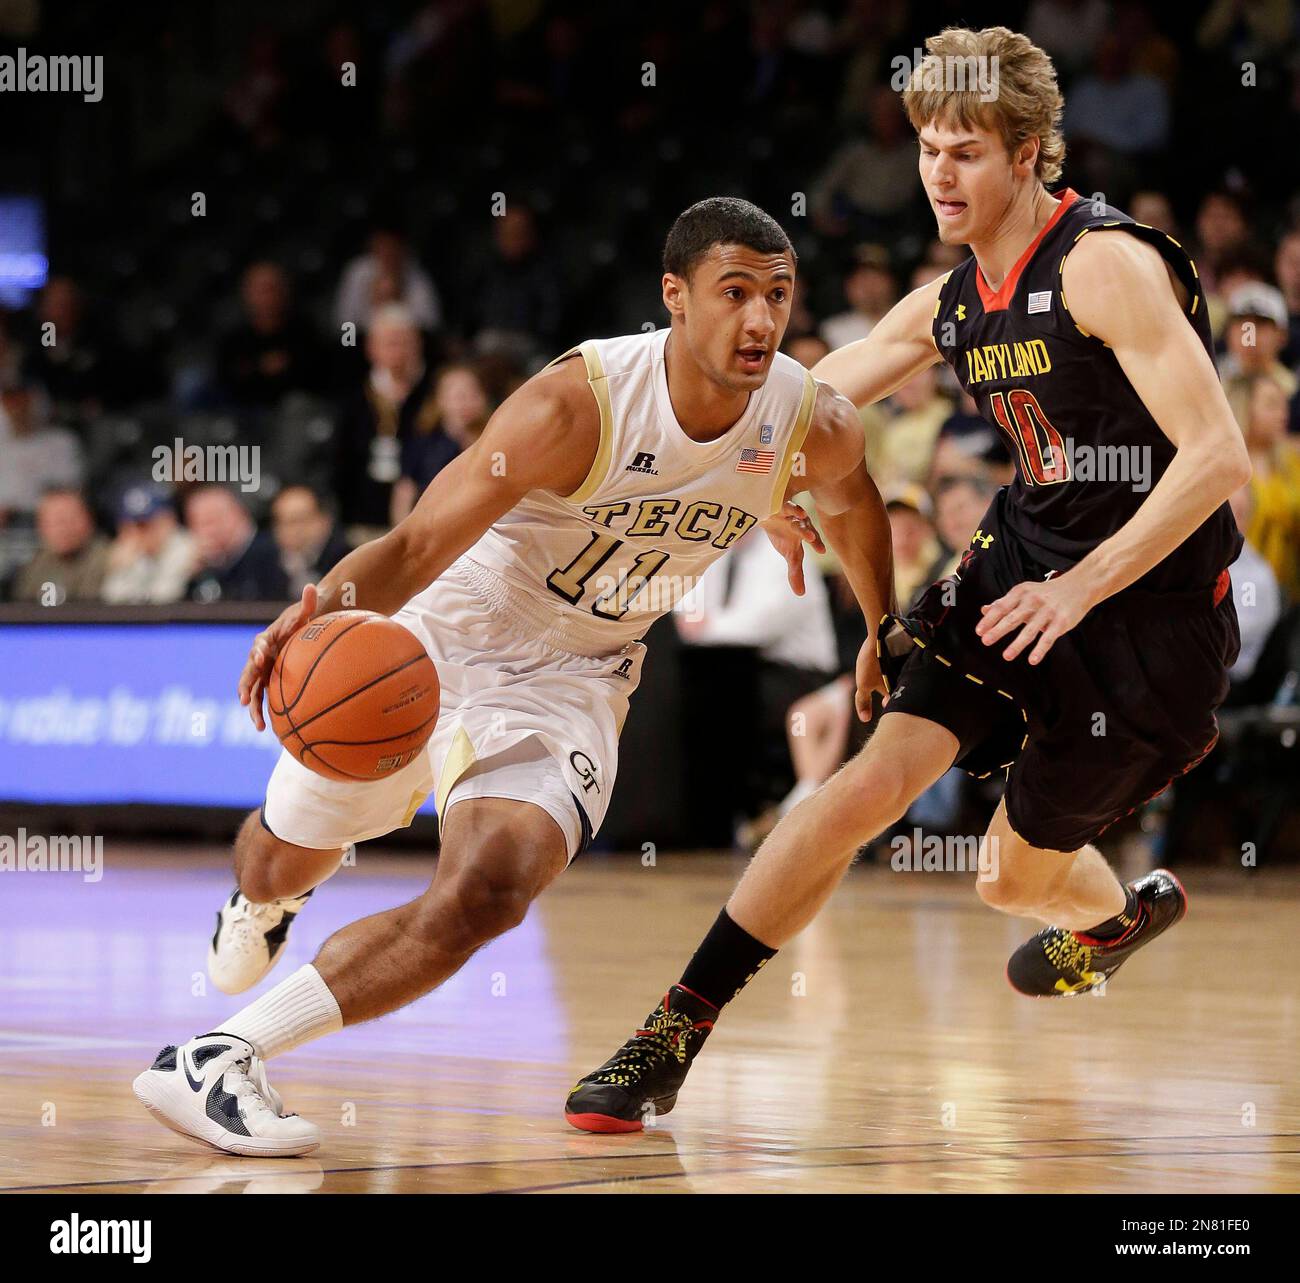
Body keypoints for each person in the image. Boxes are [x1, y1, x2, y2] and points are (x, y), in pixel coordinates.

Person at [565, 25, 1248, 1134]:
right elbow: (810, 397)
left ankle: (1116, 916)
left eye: (965, 151)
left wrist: (1080, 590)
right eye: (929, 147)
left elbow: (1218, 458)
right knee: (861, 788)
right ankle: (671, 1034)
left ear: (1026, 154)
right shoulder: (954, 298)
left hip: (1152, 617)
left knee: (1007, 881)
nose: (939, 172)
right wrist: (765, 475)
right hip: (1021, 564)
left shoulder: (1104, 264)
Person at [131, 196, 895, 1156]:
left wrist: (881, 623)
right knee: (283, 856)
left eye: (777, 295)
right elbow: (417, 543)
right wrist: (317, 607)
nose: (760, 318)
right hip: (451, 630)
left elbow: (854, 501)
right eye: (734, 292)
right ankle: (263, 899)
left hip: (578, 674)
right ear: (675, 295)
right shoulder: (577, 403)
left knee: (489, 889)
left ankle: (219, 1056)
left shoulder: (810, 418)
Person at [214, 262, 326, 409]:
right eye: (259, 291)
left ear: (285, 291)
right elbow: (227, 379)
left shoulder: (304, 330)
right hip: (247, 410)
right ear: (246, 294)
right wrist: (260, 368)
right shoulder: (233, 338)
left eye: (271, 289)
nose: (266, 298)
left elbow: (317, 373)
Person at [184, 485, 288, 602]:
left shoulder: (271, 552)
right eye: (198, 524)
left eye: (212, 520)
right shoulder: (207, 566)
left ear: (239, 513)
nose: (208, 531)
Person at [8, 487, 110, 603]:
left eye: (67, 519)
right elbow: (22, 608)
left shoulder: (109, 560)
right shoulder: (36, 565)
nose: (61, 529)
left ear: (88, 520)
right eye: (51, 521)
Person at [101, 484, 197, 605]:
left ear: (168, 520)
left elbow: (164, 597)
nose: (135, 533)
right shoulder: (131, 552)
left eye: (143, 525)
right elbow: (112, 598)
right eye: (129, 525)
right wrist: (121, 569)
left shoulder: (185, 547)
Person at [270, 485, 351, 598]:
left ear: (324, 520)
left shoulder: (346, 561)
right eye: (281, 522)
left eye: (298, 520)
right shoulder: (266, 564)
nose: (290, 530)